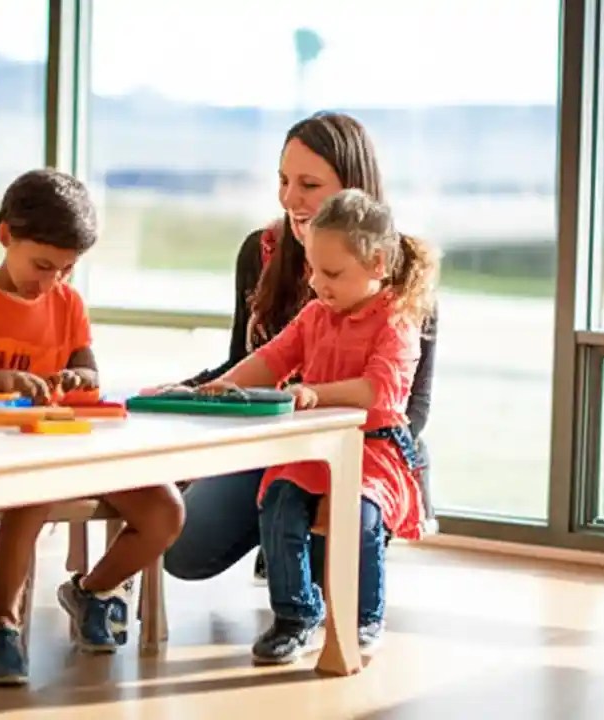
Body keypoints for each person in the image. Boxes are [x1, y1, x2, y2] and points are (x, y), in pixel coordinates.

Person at [0, 169, 185, 687]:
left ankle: (92, 590)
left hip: (72, 446)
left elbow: (89, 372)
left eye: (64, 270)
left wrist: (77, 375)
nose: (50, 282)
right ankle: (3, 623)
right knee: (36, 489)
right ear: (5, 235)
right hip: (4, 452)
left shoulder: (67, 305)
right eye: (42, 265)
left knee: (164, 510)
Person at [164, 112, 439, 585]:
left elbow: (412, 405)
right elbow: (250, 359)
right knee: (183, 552)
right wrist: (192, 391)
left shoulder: (404, 269)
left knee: (326, 551)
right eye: (284, 180)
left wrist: (345, 452)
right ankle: (276, 531)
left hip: (360, 445)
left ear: (353, 189)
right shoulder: (261, 251)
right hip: (275, 443)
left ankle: (317, 543)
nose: (291, 198)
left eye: (308, 184)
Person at [199, 188, 437, 663]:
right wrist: (222, 386)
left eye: (332, 273)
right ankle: (295, 614)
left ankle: (362, 615)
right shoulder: (315, 315)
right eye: (312, 269)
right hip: (313, 451)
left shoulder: (397, 320)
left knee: (362, 515)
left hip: (374, 451)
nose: (317, 284)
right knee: (279, 501)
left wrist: (315, 393)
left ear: (378, 264)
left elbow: (381, 393)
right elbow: (271, 360)